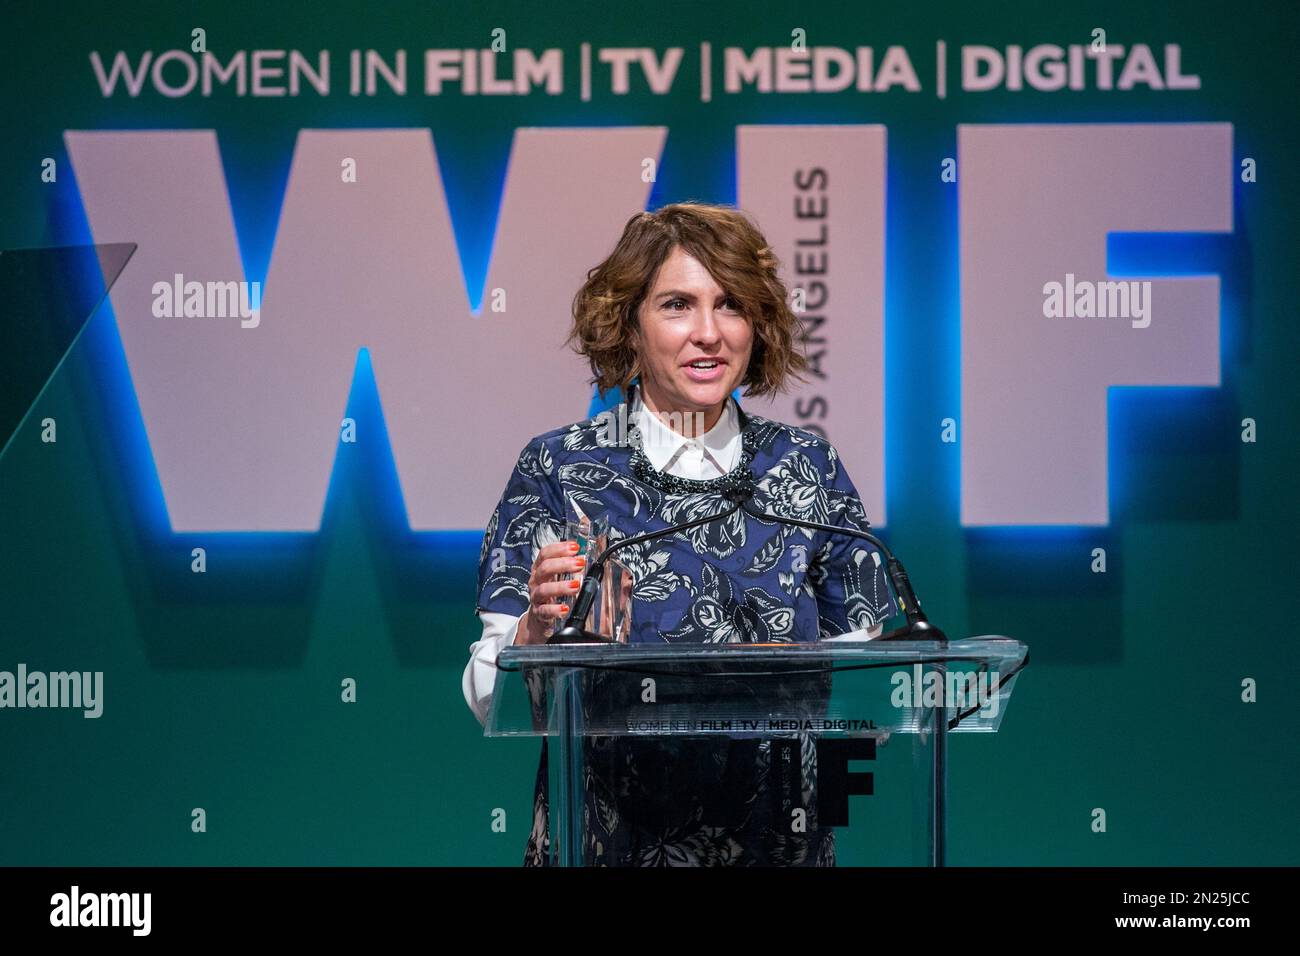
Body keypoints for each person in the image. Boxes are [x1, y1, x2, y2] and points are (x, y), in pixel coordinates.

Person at [465, 201, 900, 866]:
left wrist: (822, 690)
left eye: (730, 304)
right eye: (676, 305)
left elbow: (874, 697)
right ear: (628, 326)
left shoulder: (807, 470)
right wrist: (535, 639)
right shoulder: (561, 468)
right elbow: (486, 696)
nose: (709, 333)